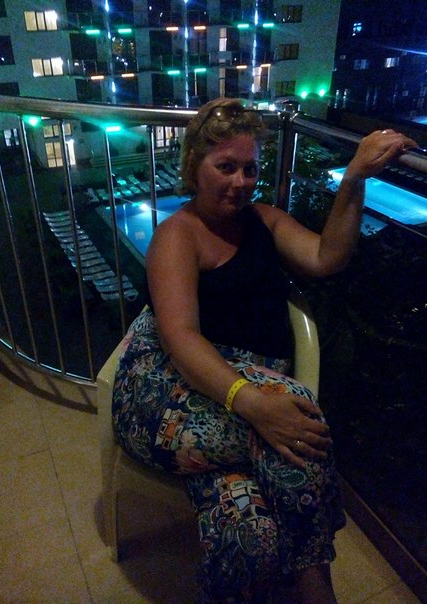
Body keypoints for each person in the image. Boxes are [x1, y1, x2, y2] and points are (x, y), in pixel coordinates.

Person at [112, 98, 416, 603]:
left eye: (249, 169)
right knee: (303, 428)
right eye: (225, 166)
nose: (240, 181)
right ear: (194, 166)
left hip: (240, 389)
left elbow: (327, 257)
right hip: (165, 389)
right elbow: (180, 337)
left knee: (251, 531)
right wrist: (250, 401)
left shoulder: (266, 221)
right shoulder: (176, 236)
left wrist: (355, 178)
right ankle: (316, 587)